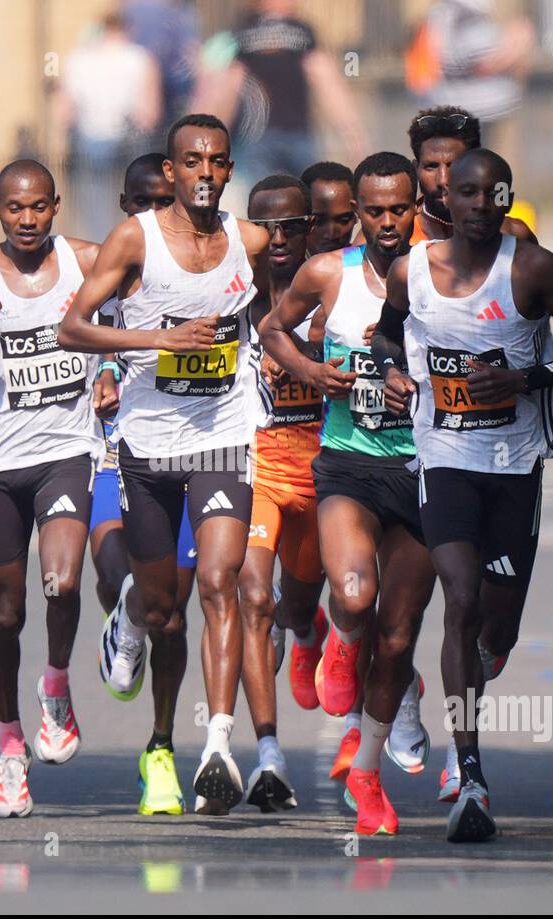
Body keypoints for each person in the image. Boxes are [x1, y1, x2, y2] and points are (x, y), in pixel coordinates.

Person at [372, 148, 553, 841]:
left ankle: (473, 683)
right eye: (464, 193)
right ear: (446, 200)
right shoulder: (411, 271)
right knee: (461, 599)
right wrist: (391, 371)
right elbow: (388, 336)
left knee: (494, 632)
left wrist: (529, 380)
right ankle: (469, 770)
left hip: (516, 465)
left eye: (489, 194)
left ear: (506, 199)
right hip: (444, 456)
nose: (477, 205)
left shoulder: (530, 268)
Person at [59, 113, 270, 815]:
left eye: (217, 161)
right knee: (163, 612)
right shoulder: (135, 239)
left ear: (228, 170)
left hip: (221, 436)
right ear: (172, 172)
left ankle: (215, 741)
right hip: (147, 445)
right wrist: (161, 338)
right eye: (192, 162)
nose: (205, 173)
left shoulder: (251, 241)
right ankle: (157, 742)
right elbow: (73, 327)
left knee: (219, 580)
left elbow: (266, 319)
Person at [259, 152, 435, 836]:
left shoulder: (437, 273)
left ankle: (365, 772)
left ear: (416, 207)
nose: (388, 222)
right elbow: (274, 327)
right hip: (349, 463)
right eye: (375, 210)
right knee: (356, 595)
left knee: (399, 636)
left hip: (423, 469)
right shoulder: (327, 272)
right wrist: (312, 369)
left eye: (400, 209)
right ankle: (340, 636)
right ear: (356, 212)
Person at [0, 160, 102, 819]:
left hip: (68, 451)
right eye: (16, 209)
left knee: (62, 582)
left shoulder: (87, 262)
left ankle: (57, 683)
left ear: (56, 206)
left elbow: (139, 309)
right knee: (6, 612)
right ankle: (11, 745)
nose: (29, 219)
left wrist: (115, 370)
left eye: (40, 206)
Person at [85, 152, 198, 816]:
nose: (157, 214)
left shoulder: (207, 264)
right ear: (126, 207)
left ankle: (160, 748)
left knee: (173, 613)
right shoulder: (108, 264)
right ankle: (123, 612)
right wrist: (103, 372)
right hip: (114, 451)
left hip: (190, 453)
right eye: (144, 202)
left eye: (169, 200)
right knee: (111, 568)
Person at [239, 173, 326, 812]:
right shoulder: (232, 295)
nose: (277, 238)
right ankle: (268, 755)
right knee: (252, 600)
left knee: (296, 606)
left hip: (323, 477)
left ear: (310, 229)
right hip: (255, 472)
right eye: (265, 225)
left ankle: (310, 630)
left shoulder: (329, 294)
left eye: (291, 226)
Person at [192, 0, 367, 183]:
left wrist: (212, 143)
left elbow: (230, 87)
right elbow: (325, 80)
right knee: (311, 201)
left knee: (263, 203)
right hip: (298, 135)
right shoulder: (301, 32)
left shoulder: (242, 33)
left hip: (258, 138)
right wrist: (352, 136)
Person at [51, 12, 162, 241]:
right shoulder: (140, 58)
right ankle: (135, 242)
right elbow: (150, 112)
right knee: (137, 197)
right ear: (126, 30)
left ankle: (101, 244)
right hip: (129, 139)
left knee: (94, 202)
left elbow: (63, 113)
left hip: (91, 138)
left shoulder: (77, 60)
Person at [408, 0, 534, 151]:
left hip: (486, 109)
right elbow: (475, 62)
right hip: (465, 108)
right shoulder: (451, 16)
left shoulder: (456, 15)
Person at [407, 106, 535, 246]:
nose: (443, 180)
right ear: (415, 169)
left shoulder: (510, 237)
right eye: (431, 166)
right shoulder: (402, 239)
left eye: (454, 165)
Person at [300, 161, 357, 255]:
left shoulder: (369, 266)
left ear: (356, 217)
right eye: (318, 221)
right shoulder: (279, 266)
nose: (331, 234)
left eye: (343, 220)